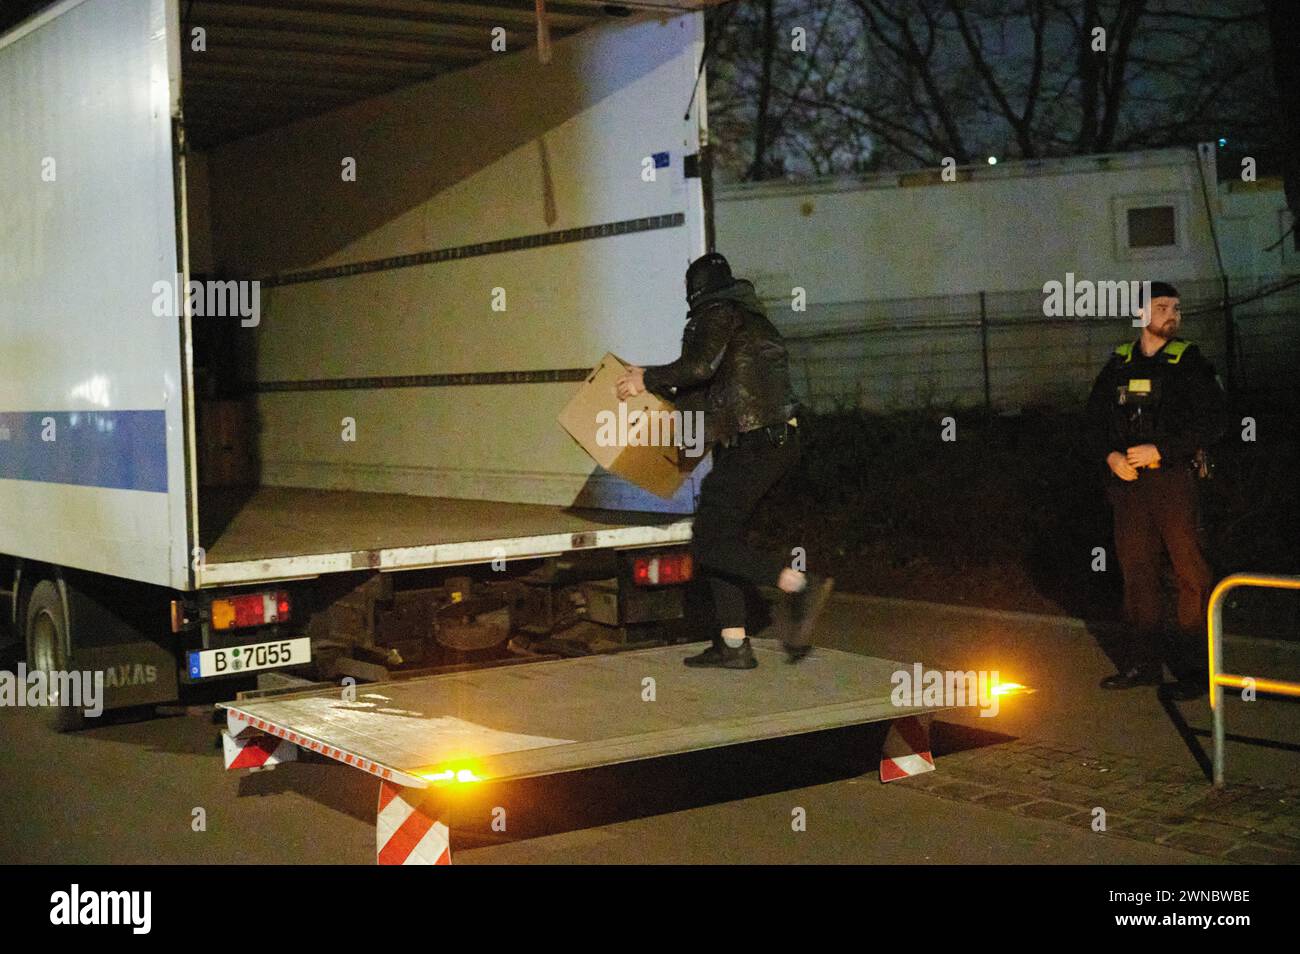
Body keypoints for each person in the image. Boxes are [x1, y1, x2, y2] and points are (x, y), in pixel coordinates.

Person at [615, 252, 834, 668]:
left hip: (754, 444)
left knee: (709, 541)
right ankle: (733, 646)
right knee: (719, 539)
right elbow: (710, 390)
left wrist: (644, 378)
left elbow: (697, 368)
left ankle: (797, 585)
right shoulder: (754, 320)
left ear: (694, 291)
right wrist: (679, 432)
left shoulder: (713, 315)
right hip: (778, 439)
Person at [1084, 281, 1228, 694]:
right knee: (1137, 573)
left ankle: (1196, 672)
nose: (1173, 314)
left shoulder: (1189, 362)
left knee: (1190, 574)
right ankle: (1142, 665)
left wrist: (1161, 450)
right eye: (1162, 306)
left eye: (1176, 308)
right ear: (1139, 314)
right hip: (1128, 486)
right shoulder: (1120, 364)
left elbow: (1215, 420)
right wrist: (1111, 456)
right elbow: (1093, 422)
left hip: (1174, 482)